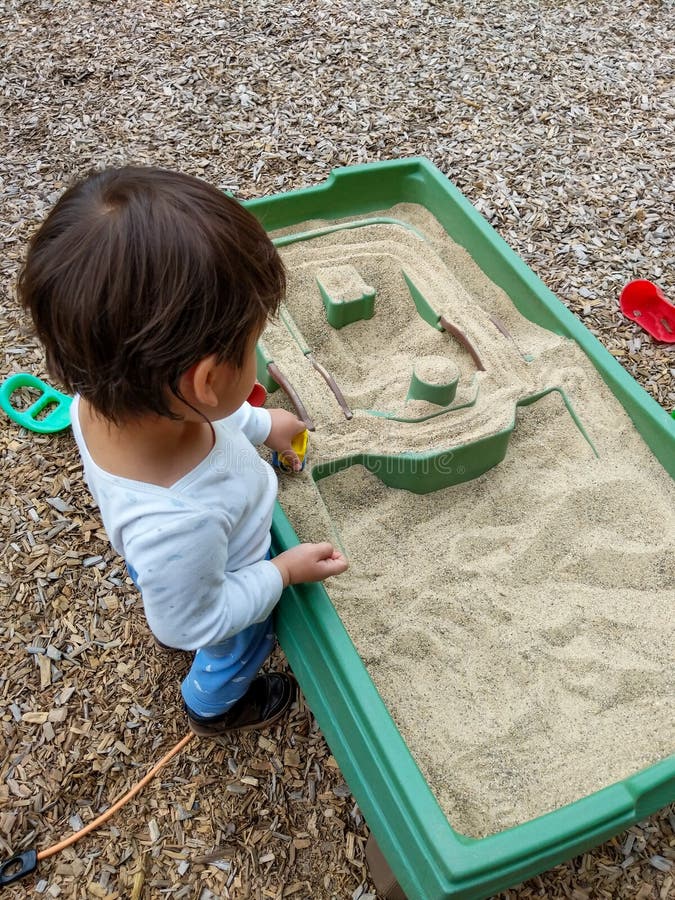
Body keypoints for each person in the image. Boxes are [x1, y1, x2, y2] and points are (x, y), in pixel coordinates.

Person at [18, 167, 348, 736]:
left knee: (171, 582)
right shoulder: (182, 524)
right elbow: (191, 621)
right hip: (221, 579)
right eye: (251, 346)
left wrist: (262, 422)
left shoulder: (102, 400)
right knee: (232, 644)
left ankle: (174, 589)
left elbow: (210, 418)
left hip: (172, 560)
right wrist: (281, 573)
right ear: (208, 381)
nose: (256, 354)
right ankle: (212, 705)